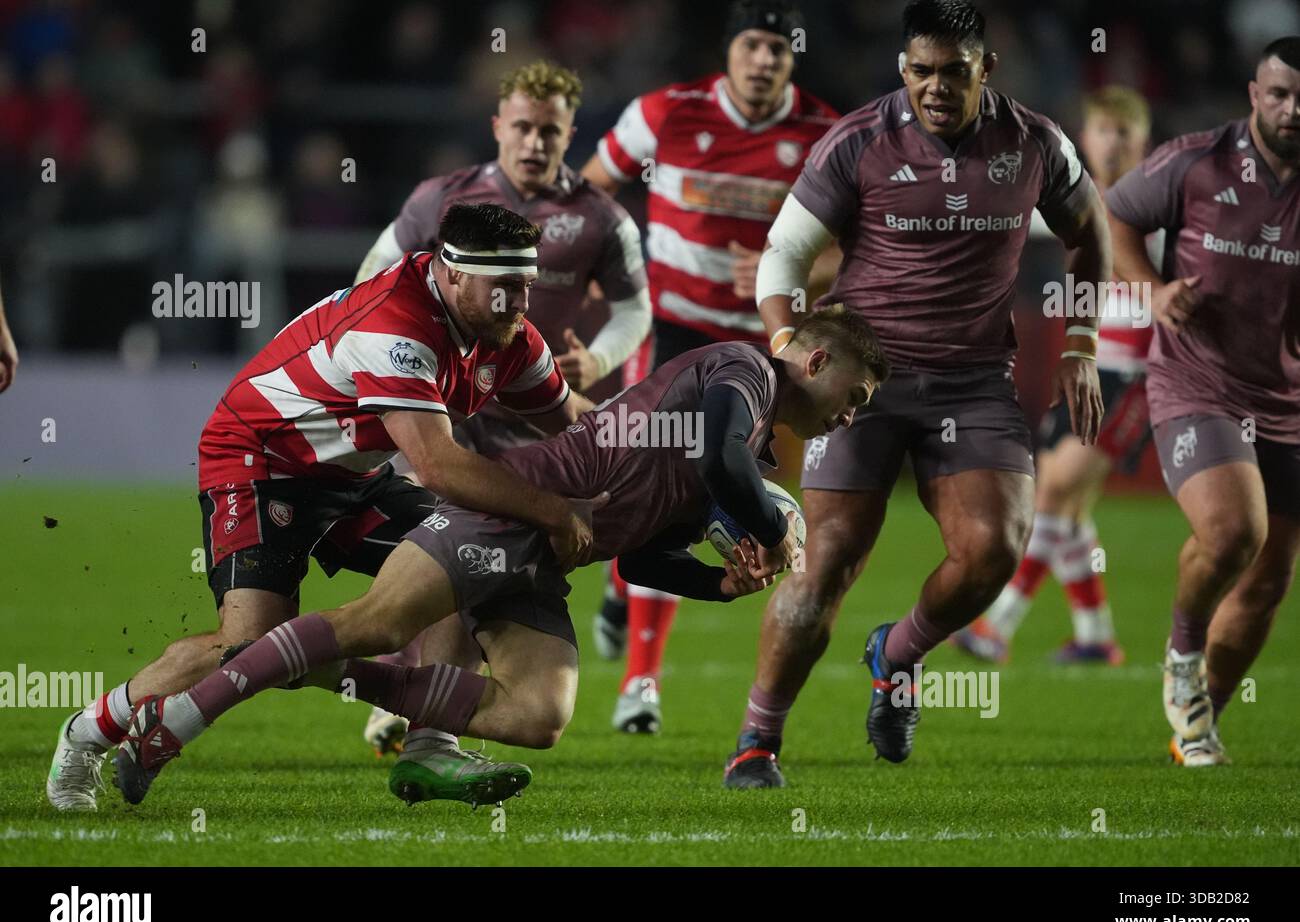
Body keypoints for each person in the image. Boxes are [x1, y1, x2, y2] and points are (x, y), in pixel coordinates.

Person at [111, 309, 890, 808]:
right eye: (856, 398)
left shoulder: (745, 437)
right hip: (510, 511)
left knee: (539, 714)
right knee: (376, 625)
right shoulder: (744, 372)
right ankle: (175, 721)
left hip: (549, 559)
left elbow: (642, 562)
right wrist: (778, 529)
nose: (850, 417)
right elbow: (723, 465)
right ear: (818, 364)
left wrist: (720, 583)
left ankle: (309, 672)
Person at [46, 203, 595, 810]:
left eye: (526, 285)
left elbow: (577, 424)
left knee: (461, 555)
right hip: (261, 457)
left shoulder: (507, 334)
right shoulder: (396, 325)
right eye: (505, 287)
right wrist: (551, 511)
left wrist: (660, 460)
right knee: (250, 642)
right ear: (454, 273)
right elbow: (438, 466)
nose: (518, 304)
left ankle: (430, 749)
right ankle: (87, 735)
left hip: (351, 472)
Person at [724, 0, 1111, 788]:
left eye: (954, 72)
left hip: (975, 383)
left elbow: (1090, 229)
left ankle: (896, 653)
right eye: (921, 70)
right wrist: (787, 343)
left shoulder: (1034, 141)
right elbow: (783, 256)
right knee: (823, 562)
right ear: (903, 68)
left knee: (993, 553)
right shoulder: (860, 139)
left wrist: (1080, 339)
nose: (936, 87)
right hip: (861, 385)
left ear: (986, 70)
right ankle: (757, 741)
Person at [352, 59, 650, 754]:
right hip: (447, 410)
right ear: (498, 126)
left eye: (550, 129)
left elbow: (636, 307)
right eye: (522, 126)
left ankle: (414, 699)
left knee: (478, 558)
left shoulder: (600, 216)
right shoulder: (441, 200)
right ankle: (421, 707)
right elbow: (371, 276)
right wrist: (413, 363)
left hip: (539, 412)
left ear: (571, 132)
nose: (535, 141)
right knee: (454, 546)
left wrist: (599, 361)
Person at [581, 0, 840, 733]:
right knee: (665, 490)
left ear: (792, 58)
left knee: (698, 497)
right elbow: (591, 187)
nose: (764, 61)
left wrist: (791, 270)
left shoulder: (822, 136)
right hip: (671, 335)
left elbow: (853, 247)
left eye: (778, 50)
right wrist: (608, 266)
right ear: (730, 51)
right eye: (752, 46)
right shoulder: (665, 112)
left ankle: (622, 592)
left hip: (765, 347)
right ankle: (640, 683)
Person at [1106, 37, 1300, 767]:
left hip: (1288, 398)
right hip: (1198, 384)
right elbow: (1115, 216)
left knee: (1269, 581)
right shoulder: (1196, 161)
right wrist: (1151, 291)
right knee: (1231, 532)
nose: (1293, 109)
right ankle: (1182, 658)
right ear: (1254, 94)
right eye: (1279, 93)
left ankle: (1196, 723)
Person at [952, 86, 1159, 666]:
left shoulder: (1157, 203)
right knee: (1067, 507)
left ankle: (996, 626)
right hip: (1088, 370)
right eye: (1102, 130)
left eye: (1124, 131)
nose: (1111, 141)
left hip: (1134, 376)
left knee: (1054, 493)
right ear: (1084, 138)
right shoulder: (1083, 199)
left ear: (1142, 139)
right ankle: (1095, 636)